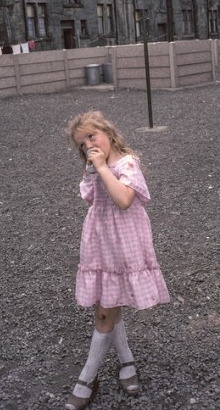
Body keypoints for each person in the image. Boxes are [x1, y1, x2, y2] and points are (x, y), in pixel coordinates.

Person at [64, 111, 170, 409]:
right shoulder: (95, 166)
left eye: (92, 136)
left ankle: (87, 378)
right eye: (82, 143)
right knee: (110, 301)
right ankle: (127, 361)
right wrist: (92, 171)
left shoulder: (127, 163)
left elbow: (123, 200)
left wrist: (102, 168)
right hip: (100, 242)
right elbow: (89, 197)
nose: (89, 145)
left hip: (125, 242)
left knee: (104, 312)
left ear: (108, 133)